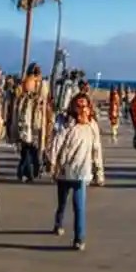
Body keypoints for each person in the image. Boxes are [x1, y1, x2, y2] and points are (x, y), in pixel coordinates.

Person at [48, 93, 104, 251]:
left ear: (89, 108)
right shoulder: (66, 123)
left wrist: (99, 173)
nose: (81, 109)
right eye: (78, 106)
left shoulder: (92, 126)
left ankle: (79, 238)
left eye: (84, 106)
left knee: (79, 206)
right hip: (65, 170)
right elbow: (57, 143)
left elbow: (96, 150)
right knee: (62, 202)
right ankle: (58, 222)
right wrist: (52, 162)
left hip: (82, 172)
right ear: (73, 107)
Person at [13, 70, 46, 182]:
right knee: (27, 152)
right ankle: (27, 173)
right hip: (26, 130)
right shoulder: (23, 99)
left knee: (30, 152)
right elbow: (20, 116)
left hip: (33, 130)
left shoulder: (36, 99)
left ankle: (27, 172)